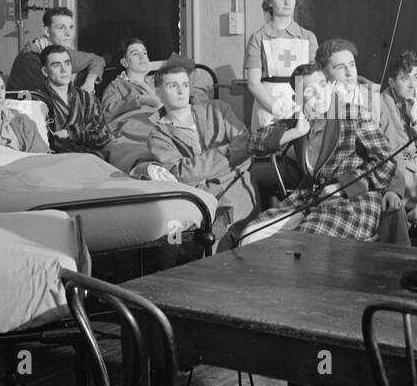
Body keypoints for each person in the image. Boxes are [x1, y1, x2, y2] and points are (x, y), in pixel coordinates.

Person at [240, 65, 401, 245]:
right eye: (310, 91)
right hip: (310, 199)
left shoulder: (351, 114)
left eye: (322, 85)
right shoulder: (300, 120)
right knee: (249, 236)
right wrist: (295, 132)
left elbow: (386, 162)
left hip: (353, 202)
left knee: (305, 242)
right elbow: (254, 142)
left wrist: (343, 186)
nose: (320, 95)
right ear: (297, 99)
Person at [146, 61, 259, 247]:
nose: (181, 91)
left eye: (185, 85)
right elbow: (182, 174)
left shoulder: (218, 109)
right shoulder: (158, 136)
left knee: (244, 238)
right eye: (173, 86)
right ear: (158, 93)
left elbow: (247, 146)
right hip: (199, 198)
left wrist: (204, 171)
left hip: (237, 188)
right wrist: (230, 156)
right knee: (202, 243)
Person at [36, 45, 174, 181]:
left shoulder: (86, 98)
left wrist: (71, 133)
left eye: (67, 63)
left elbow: (102, 135)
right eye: (56, 65)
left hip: (94, 156)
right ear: (45, 71)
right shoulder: (36, 101)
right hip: (59, 161)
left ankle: (155, 168)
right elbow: (41, 140)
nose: (63, 69)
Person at [316, 37, 406, 166]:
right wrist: (336, 105)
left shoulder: (374, 98)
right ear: (323, 73)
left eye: (352, 65)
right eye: (340, 67)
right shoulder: (314, 99)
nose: (349, 72)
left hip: (367, 170)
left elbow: (394, 147)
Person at [245, 0, 318, 128]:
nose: (287, 2)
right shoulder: (258, 38)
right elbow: (253, 83)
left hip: (300, 105)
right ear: (270, 1)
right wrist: (277, 110)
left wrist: (304, 109)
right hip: (268, 107)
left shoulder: (308, 37)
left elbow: (314, 79)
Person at [8, 6, 106, 94]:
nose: (68, 34)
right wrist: (81, 94)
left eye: (71, 27)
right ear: (47, 31)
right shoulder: (30, 58)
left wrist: (89, 82)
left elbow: (97, 60)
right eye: (61, 28)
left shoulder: (61, 51)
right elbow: (51, 95)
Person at [380, 50, 417, 226]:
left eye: (416, 77)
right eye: (405, 78)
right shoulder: (380, 105)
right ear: (392, 82)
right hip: (397, 181)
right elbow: (394, 152)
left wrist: (414, 118)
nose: (413, 85)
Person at [100, 37, 161, 122]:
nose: (142, 57)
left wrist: (152, 66)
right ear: (124, 62)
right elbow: (106, 114)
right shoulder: (116, 86)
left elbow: (178, 64)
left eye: (144, 53)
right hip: (137, 126)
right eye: (135, 54)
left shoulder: (156, 80)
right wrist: (140, 100)